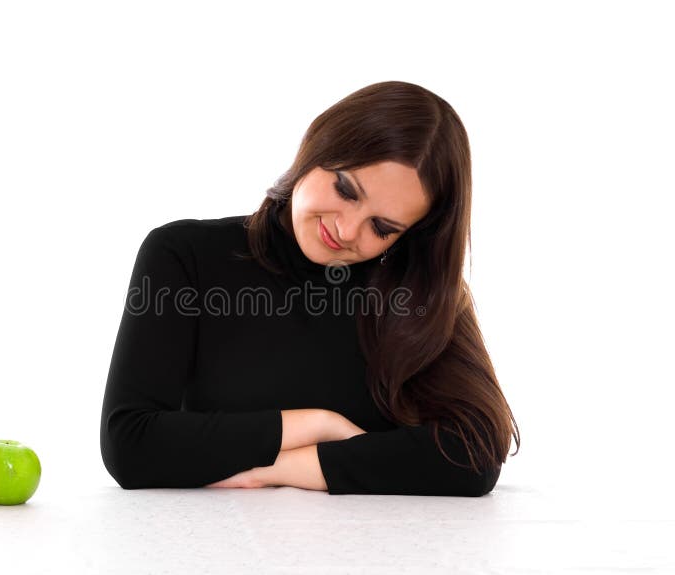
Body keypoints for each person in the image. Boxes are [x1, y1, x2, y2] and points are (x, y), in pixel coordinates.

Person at [99, 80, 520, 496]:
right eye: (345, 190)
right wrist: (318, 425)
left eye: (383, 227)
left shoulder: (415, 289)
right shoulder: (184, 256)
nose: (347, 230)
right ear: (316, 146)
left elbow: (475, 453)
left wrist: (282, 468)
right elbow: (131, 442)